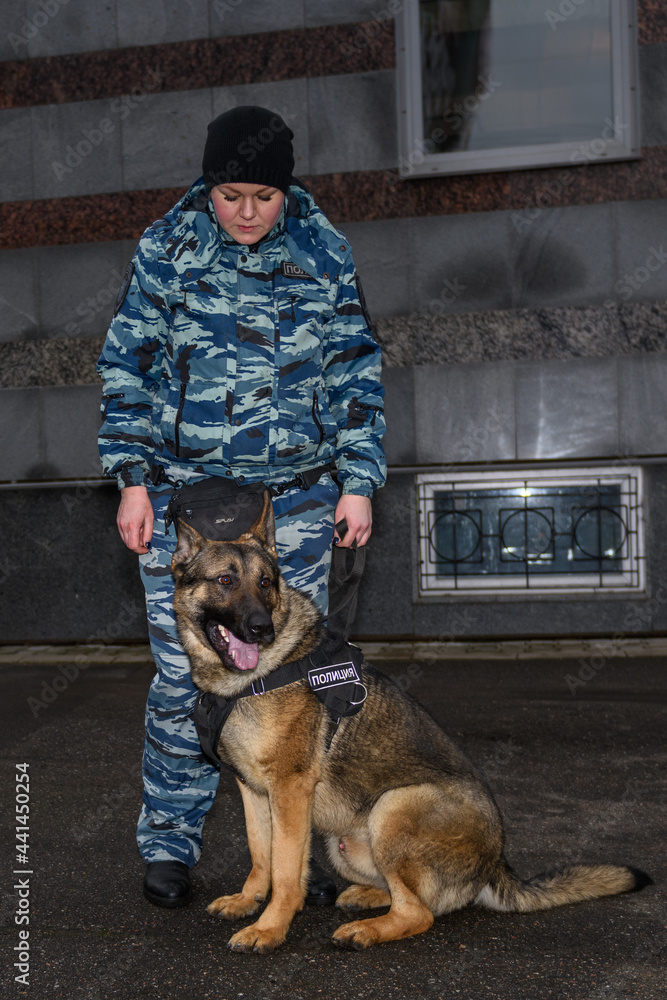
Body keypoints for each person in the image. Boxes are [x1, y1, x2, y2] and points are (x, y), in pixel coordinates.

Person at [97, 106, 386, 909]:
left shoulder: (324, 252)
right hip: (182, 500)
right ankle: (169, 849)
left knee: (304, 682)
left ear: (286, 191)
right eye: (231, 194)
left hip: (296, 498)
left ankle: (318, 851)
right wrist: (130, 478)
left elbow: (355, 370)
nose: (248, 211)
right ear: (209, 186)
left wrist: (358, 479)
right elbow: (128, 369)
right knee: (182, 684)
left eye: (264, 195)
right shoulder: (166, 249)